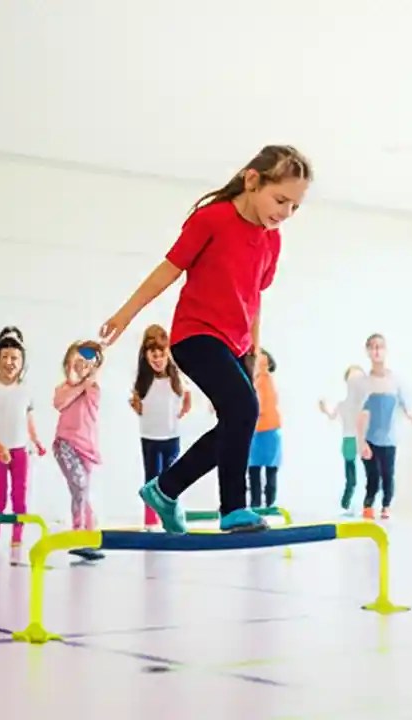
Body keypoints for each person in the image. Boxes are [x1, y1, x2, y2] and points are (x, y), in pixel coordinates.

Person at [97, 145, 312, 533]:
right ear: (252, 180)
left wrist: (254, 350)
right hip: (194, 335)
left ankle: (166, 488)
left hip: (235, 344)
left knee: (239, 416)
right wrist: (125, 315)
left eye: (294, 207)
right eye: (281, 200)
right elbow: (168, 270)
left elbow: (254, 298)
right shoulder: (212, 219)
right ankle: (232, 508)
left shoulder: (271, 240)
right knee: (244, 409)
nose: (285, 213)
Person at [0, 326, 46, 554]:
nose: (10, 362)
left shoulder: (25, 390)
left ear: (22, 361)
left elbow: (28, 418)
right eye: (5, 357)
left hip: (20, 450)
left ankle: (17, 536)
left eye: (15, 358)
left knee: (20, 496)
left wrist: (36, 441)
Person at [356, 334, 412, 520]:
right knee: (372, 477)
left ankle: (386, 506)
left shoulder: (395, 381)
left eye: (380, 346)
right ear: (367, 351)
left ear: (386, 350)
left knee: (388, 475)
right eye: (372, 347)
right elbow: (359, 415)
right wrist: (361, 441)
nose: (376, 350)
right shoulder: (363, 383)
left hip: (389, 440)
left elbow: (411, 414)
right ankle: (368, 505)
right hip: (369, 439)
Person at [131, 332, 190, 530]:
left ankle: (171, 518)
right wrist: (138, 407)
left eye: (161, 355)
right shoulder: (142, 380)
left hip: (171, 437)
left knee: (171, 479)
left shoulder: (176, 379)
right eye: (153, 355)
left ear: (167, 355)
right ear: (146, 356)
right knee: (151, 479)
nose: (157, 359)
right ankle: (150, 521)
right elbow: (136, 400)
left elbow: (187, 393)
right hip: (149, 437)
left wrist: (183, 410)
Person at [53, 340, 105, 561]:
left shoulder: (93, 389)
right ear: (67, 364)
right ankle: (78, 531)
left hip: (87, 449)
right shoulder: (62, 389)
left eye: (86, 363)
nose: (80, 366)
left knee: (82, 492)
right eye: (76, 362)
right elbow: (60, 403)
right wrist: (79, 383)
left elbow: (91, 394)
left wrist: (89, 377)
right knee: (80, 486)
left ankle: (89, 537)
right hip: (65, 444)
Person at [319, 365, 367, 516]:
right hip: (349, 441)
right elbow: (333, 415)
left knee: (369, 475)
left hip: (365, 442)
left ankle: (366, 505)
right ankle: (346, 505)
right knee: (351, 478)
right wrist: (325, 409)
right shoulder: (343, 405)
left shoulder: (366, 404)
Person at [248, 349, 281, 509]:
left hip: (268, 430)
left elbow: (262, 406)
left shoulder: (264, 381)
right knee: (255, 470)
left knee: (269, 470)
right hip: (256, 432)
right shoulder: (255, 381)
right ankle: (257, 505)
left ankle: (269, 505)